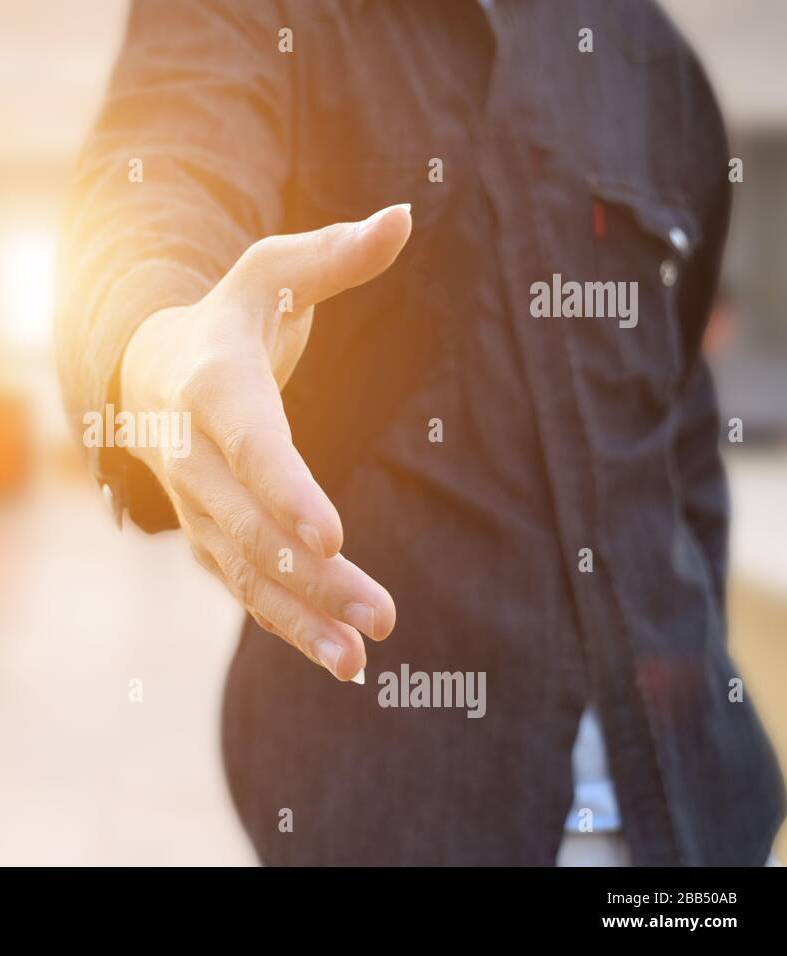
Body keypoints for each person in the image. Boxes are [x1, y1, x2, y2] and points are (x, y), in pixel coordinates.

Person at [55, 0, 784, 865]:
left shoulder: (650, 57)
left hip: (695, 815)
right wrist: (158, 344)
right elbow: (161, 177)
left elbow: (678, 411)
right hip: (394, 810)